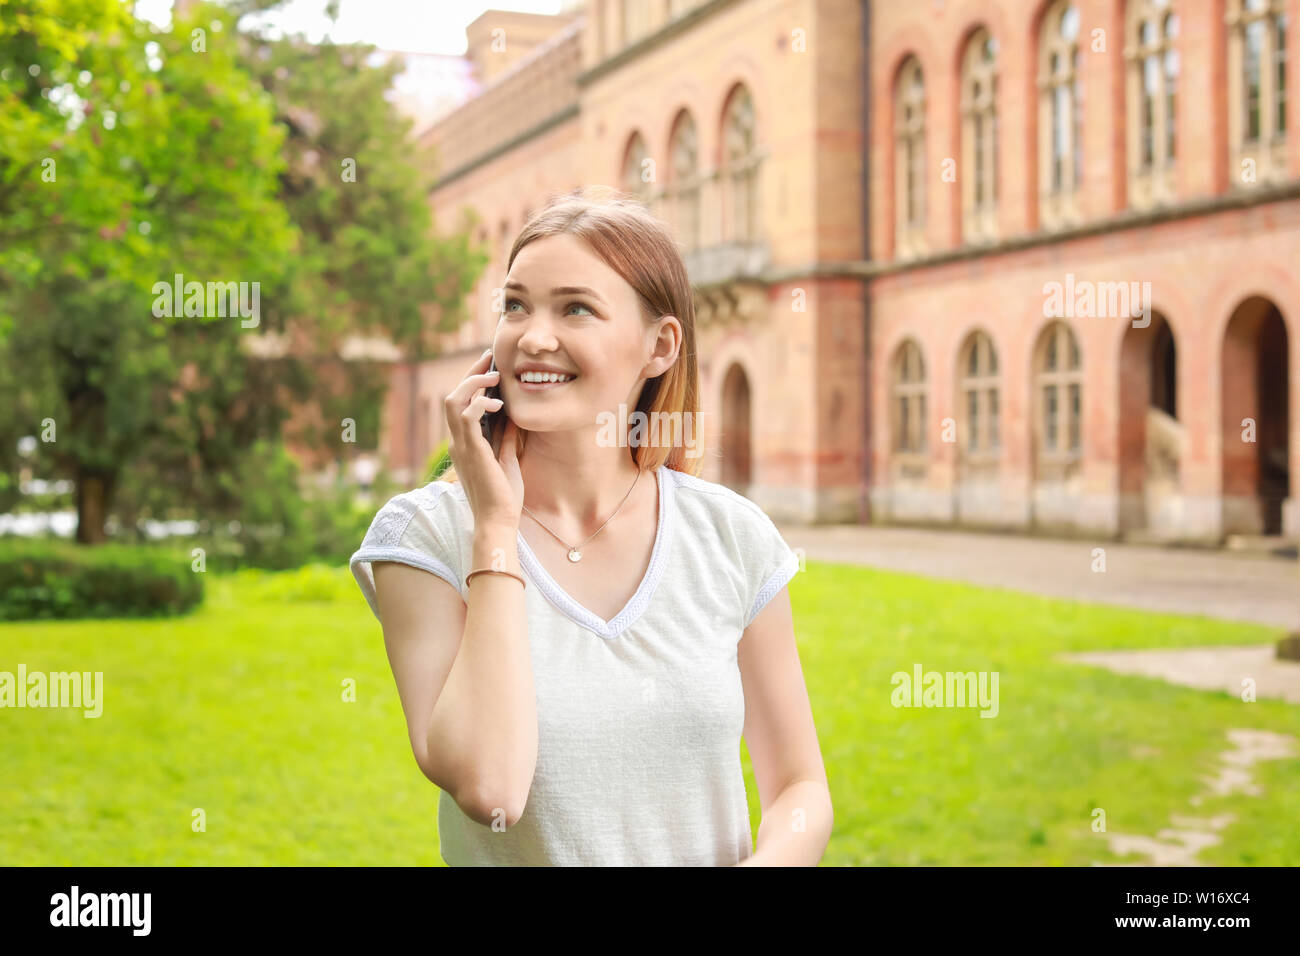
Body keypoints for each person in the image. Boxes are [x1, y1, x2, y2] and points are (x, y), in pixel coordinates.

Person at [349, 190, 832, 866]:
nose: (533, 335)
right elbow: (491, 789)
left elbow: (800, 787)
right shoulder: (423, 536)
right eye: (515, 305)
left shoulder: (730, 536)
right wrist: (495, 530)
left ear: (659, 347)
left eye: (575, 308)